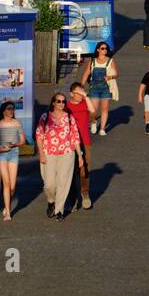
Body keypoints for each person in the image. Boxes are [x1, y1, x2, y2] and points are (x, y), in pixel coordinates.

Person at [35, 92, 83, 220]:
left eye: (63, 101)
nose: (61, 104)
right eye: (58, 101)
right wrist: (41, 154)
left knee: (63, 182)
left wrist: (80, 155)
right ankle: (51, 201)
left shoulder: (69, 118)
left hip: (67, 153)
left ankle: (59, 210)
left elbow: (75, 137)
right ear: (53, 103)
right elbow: (39, 136)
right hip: (48, 153)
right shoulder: (45, 117)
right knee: (49, 184)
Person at [0, 100, 25, 221]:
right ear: (4, 111)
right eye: (9, 109)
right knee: (6, 183)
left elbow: (22, 141)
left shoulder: (17, 123)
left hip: (13, 154)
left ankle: (7, 206)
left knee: (12, 186)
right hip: (2, 155)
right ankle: (8, 212)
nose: (11, 111)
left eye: (13, 109)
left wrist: (15, 144)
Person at [67, 82, 94, 210]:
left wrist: (86, 96)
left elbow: (93, 111)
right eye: (78, 92)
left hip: (84, 142)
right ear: (71, 94)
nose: (81, 94)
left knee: (85, 170)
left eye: (82, 91)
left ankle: (85, 193)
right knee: (71, 171)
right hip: (70, 144)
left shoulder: (84, 104)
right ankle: (72, 198)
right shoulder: (66, 106)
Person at [82, 42, 118, 136]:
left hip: (106, 88)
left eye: (106, 48)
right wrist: (81, 86)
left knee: (105, 109)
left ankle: (102, 129)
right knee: (93, 110)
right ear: (98, 49)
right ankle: (93, 122)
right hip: (94, 87)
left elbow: (116, 74)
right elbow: (86, 73)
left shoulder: (110, 60)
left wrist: (110, 77)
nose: (105, 50)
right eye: (102, 48)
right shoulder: (92, 61)